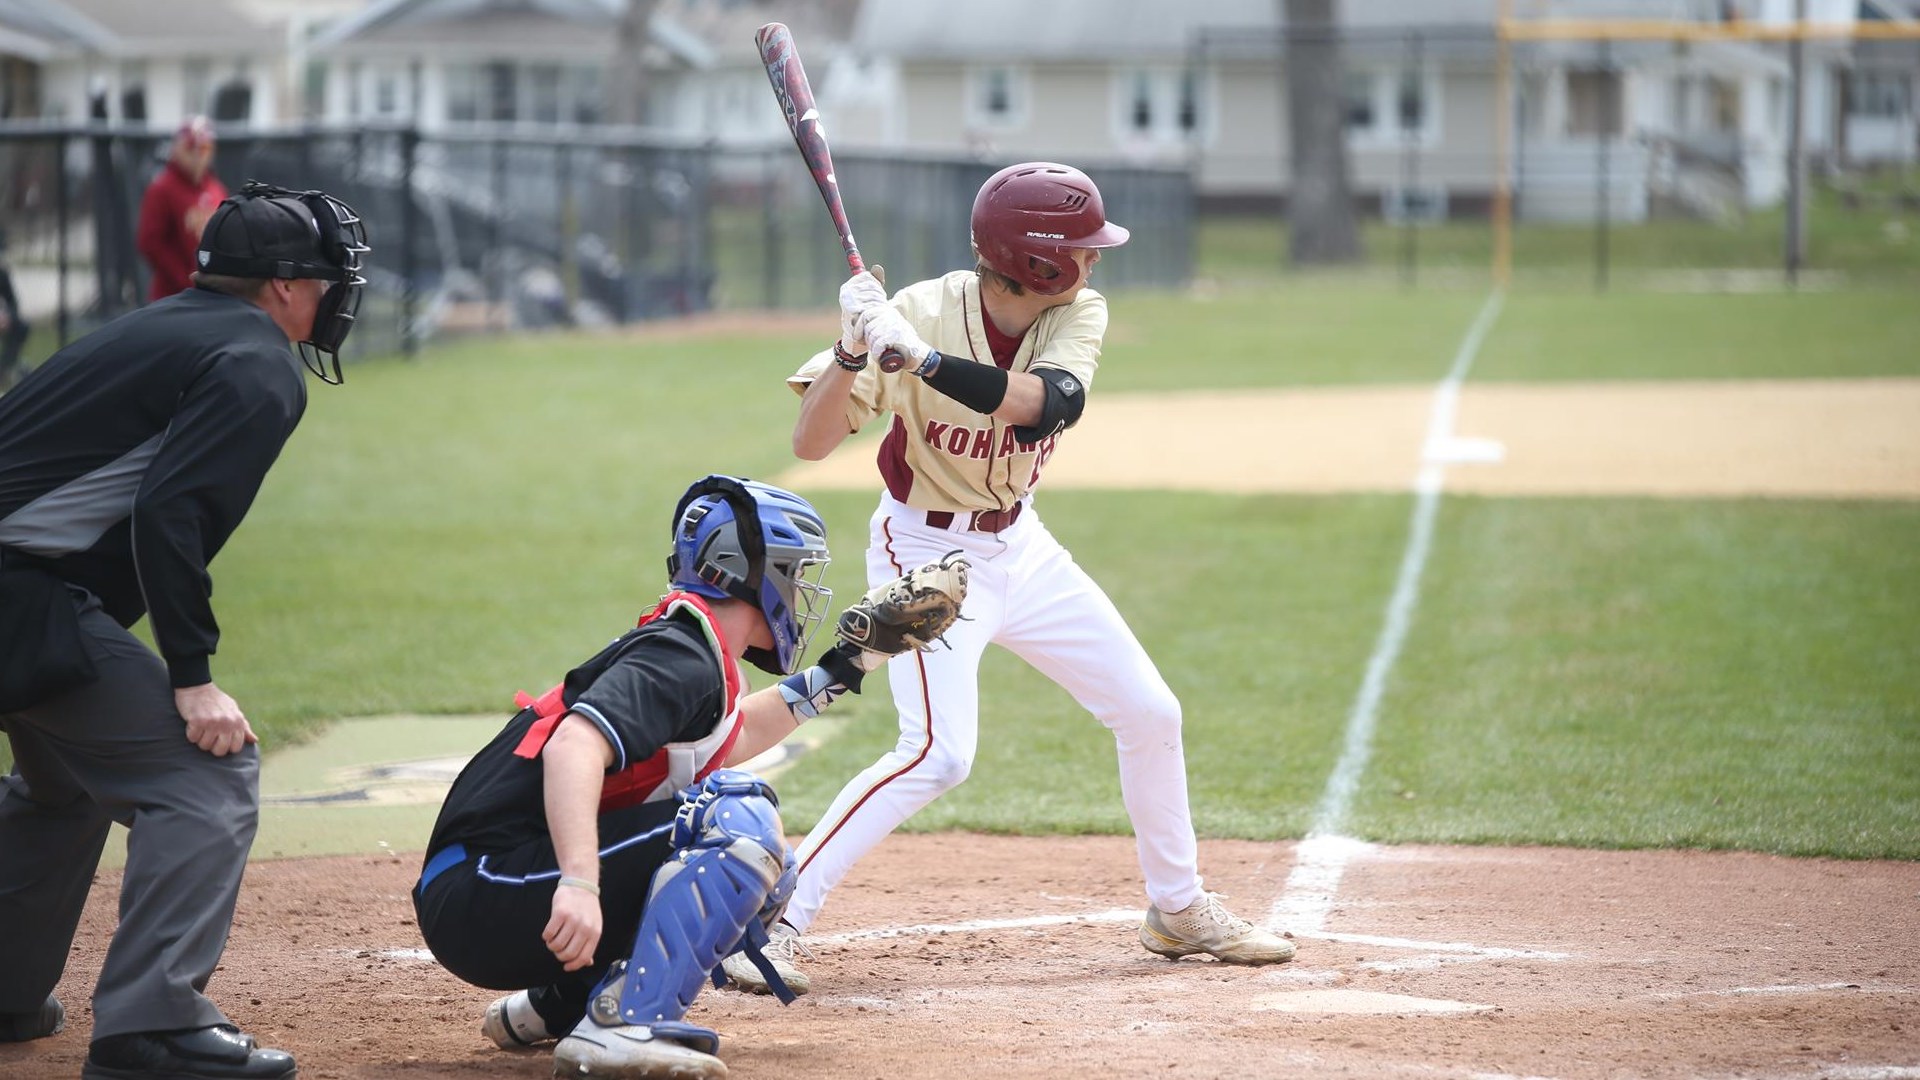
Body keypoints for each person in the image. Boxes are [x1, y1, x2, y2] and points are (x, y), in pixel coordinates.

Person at [722, 162, 1296, 998]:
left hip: (1022, 548)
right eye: (1083, 249)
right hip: (925, 552)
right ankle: (772, 924)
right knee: (935, 753)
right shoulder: (913, 310)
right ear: (1040, 262)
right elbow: (811, 443)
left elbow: (1048, 404)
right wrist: (851, 353)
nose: (1095, 263)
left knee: (1148, 709)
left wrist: (920, 364)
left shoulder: (1074, 313)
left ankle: (1176, 907)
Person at [413, 475, 964, 1080]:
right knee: (737, 827)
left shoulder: (696, 652)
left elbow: (734, 736)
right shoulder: (680, 657)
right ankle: (620, 1026)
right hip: (484, 888)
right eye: (795, 571)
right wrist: (578, 882)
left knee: (768, 871)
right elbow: (574, 744)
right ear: (751, 572)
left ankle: (557, 1008)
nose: (803, 588)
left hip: (491, 887)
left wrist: (852, 662)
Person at [0, 181, 369, 1080]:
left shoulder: (158, 324)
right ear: (282, 287)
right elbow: (169, 513)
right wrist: (191, 675)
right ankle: (151, 1029)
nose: (335, 296)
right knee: (205, 774)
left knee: (69, 783)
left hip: (28, 599)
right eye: (324, 278)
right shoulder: (256, 362)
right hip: (21, 600)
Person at [136, 115, 229, 302]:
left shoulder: (215, 188)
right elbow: (150, 241)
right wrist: (184, 279)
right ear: (177, 149)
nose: (198, 156)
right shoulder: (162, 188)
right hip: (173, 296)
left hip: (211, 294)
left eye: (204, 148)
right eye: (190, 148)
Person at [0, 226, 28, 391]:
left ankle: (4, 369)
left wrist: (7, 315)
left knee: (21, 325)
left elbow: (12, 301)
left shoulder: (2, 274)